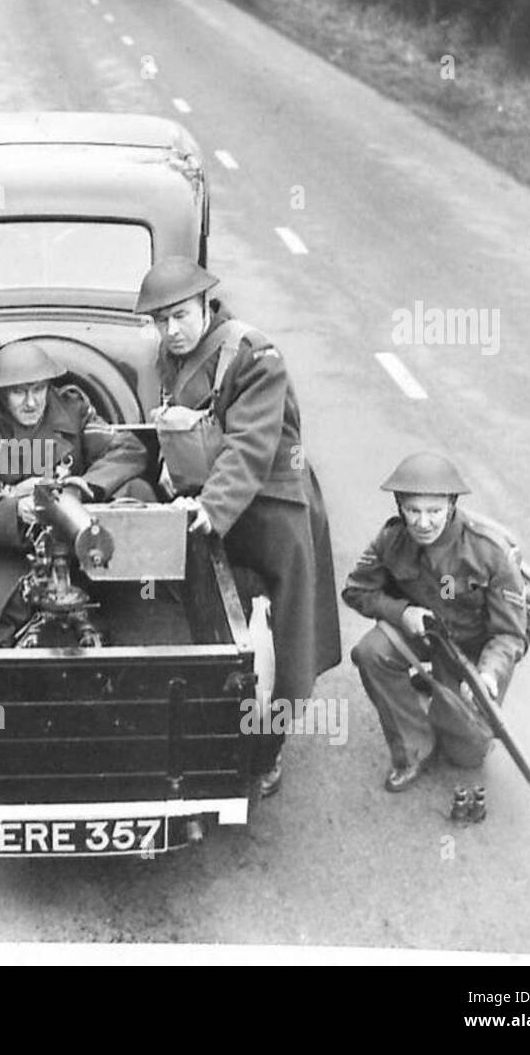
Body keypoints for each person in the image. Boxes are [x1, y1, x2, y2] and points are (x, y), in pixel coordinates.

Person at [135, 256, 342, 797]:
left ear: (206, 304)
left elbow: (250, 446)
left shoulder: (255, 356)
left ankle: (266, 752)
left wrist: (210, 506)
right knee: (218, 622)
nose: (170, 331)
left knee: (283, 639)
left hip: (272, 508)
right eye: (159, 321)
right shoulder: (170, 357)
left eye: (179, 316)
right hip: (211, 502)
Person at [342, 452, 529, 792]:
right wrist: (402, 613)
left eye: (434, 511)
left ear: (452, 505)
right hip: (424, 632)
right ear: (400, 506)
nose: (423, 523)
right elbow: (356, 590)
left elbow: (510, 635)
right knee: (371, 652)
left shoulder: (489, 552)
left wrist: (488, 674)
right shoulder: (392, 539)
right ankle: (413, 748)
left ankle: (442, 694)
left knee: (467, 753)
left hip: (473, 648)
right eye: (413, 510)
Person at [0, 342, 154, 645]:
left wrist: (85, 485)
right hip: (17, 544)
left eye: (38, 389)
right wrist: (18, 509)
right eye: (18, 392)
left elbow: (131, 448)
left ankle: (126, 602)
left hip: (82, 537)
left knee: (143, 619)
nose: (31, 402)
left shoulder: (73, 409)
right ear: (0, 393)